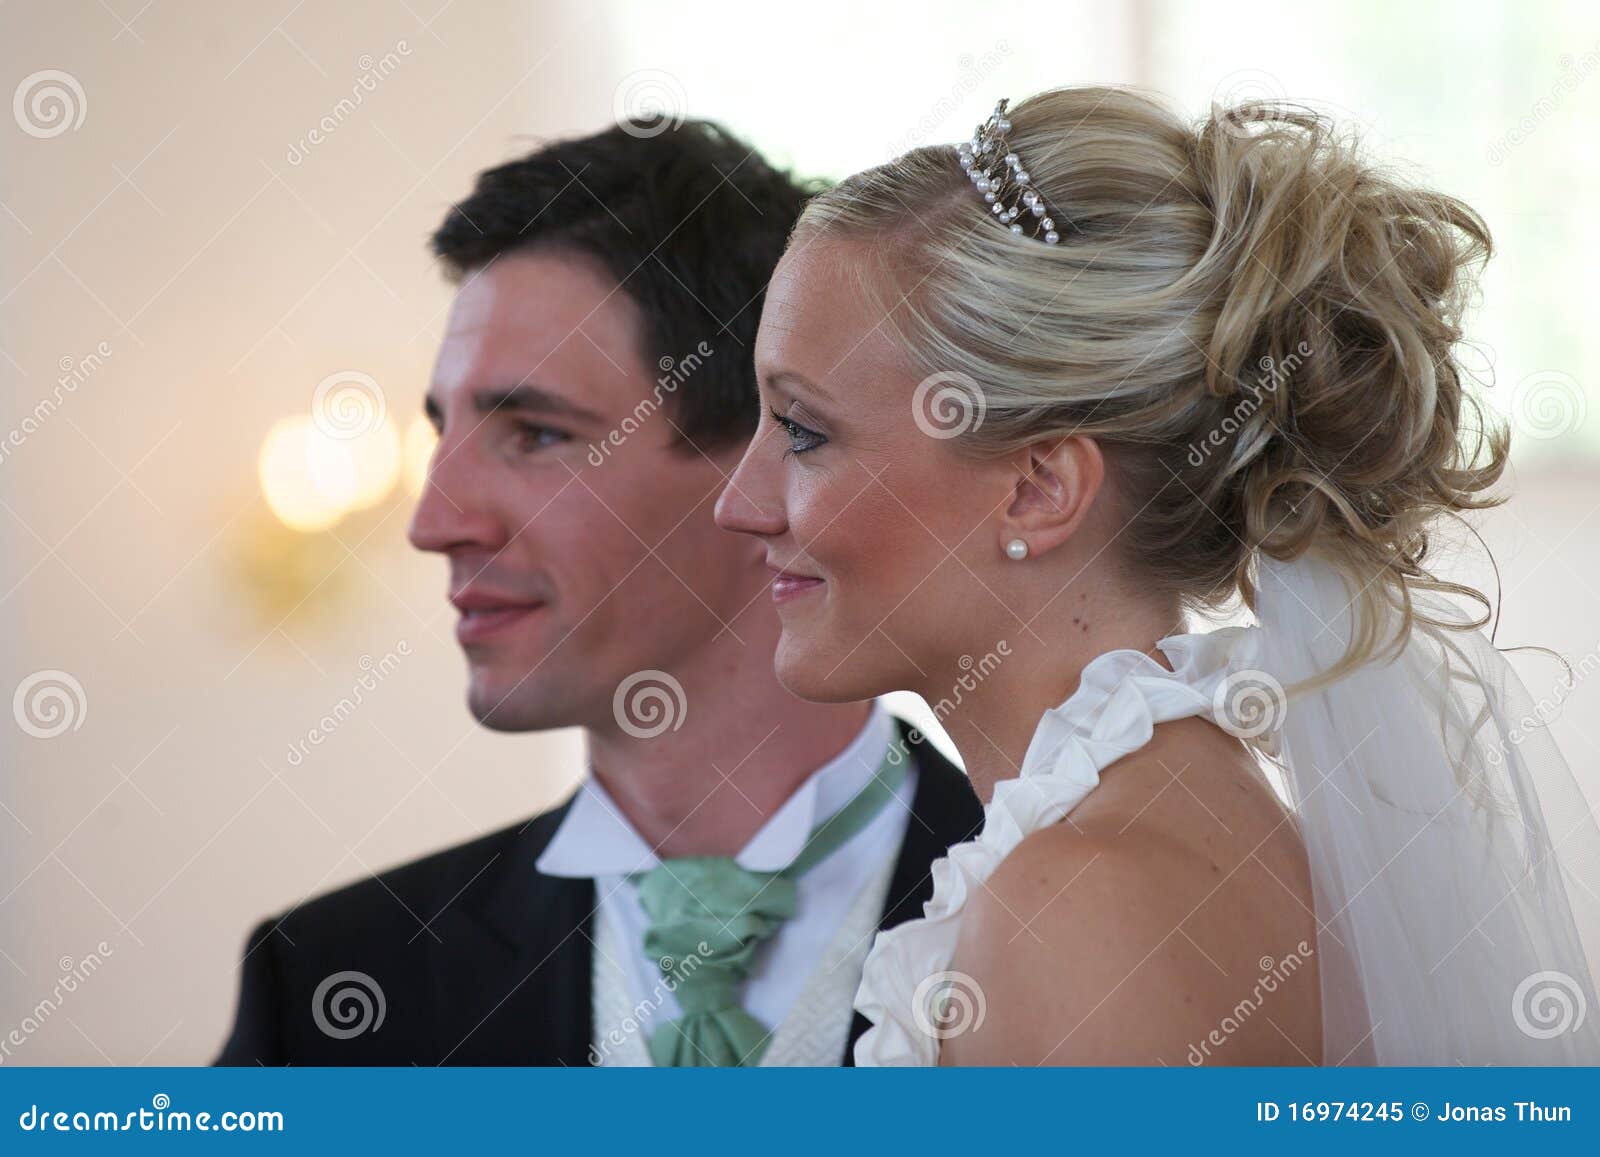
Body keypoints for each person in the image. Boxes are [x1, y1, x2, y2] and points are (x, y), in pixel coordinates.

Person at [714, 87, 1600, 1066]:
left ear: (1038, 488)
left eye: (803, 430)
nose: (738, 502)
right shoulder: (1176, 838)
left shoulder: (1076, 906)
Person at [215, 117, 982, 1067]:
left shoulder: (1084, 923)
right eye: (439, 433)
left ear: (770, 448)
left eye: (535, 434)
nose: (433, 522)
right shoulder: (334, 986)